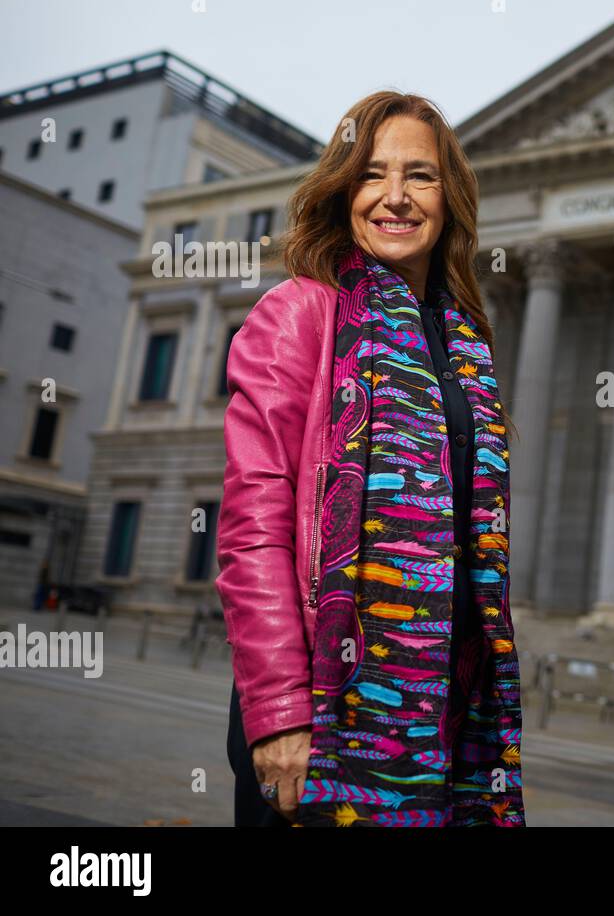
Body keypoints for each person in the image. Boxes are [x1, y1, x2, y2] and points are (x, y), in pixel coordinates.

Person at [215, 92, 524, 827]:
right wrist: (280, 710)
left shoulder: (465, 345)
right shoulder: (299, 312)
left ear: (449, 199)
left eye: (419, 176)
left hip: (441, 709)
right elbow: (253, 527)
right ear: (341, 191)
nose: (394, 197)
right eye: (371, 174)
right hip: (320, 707)